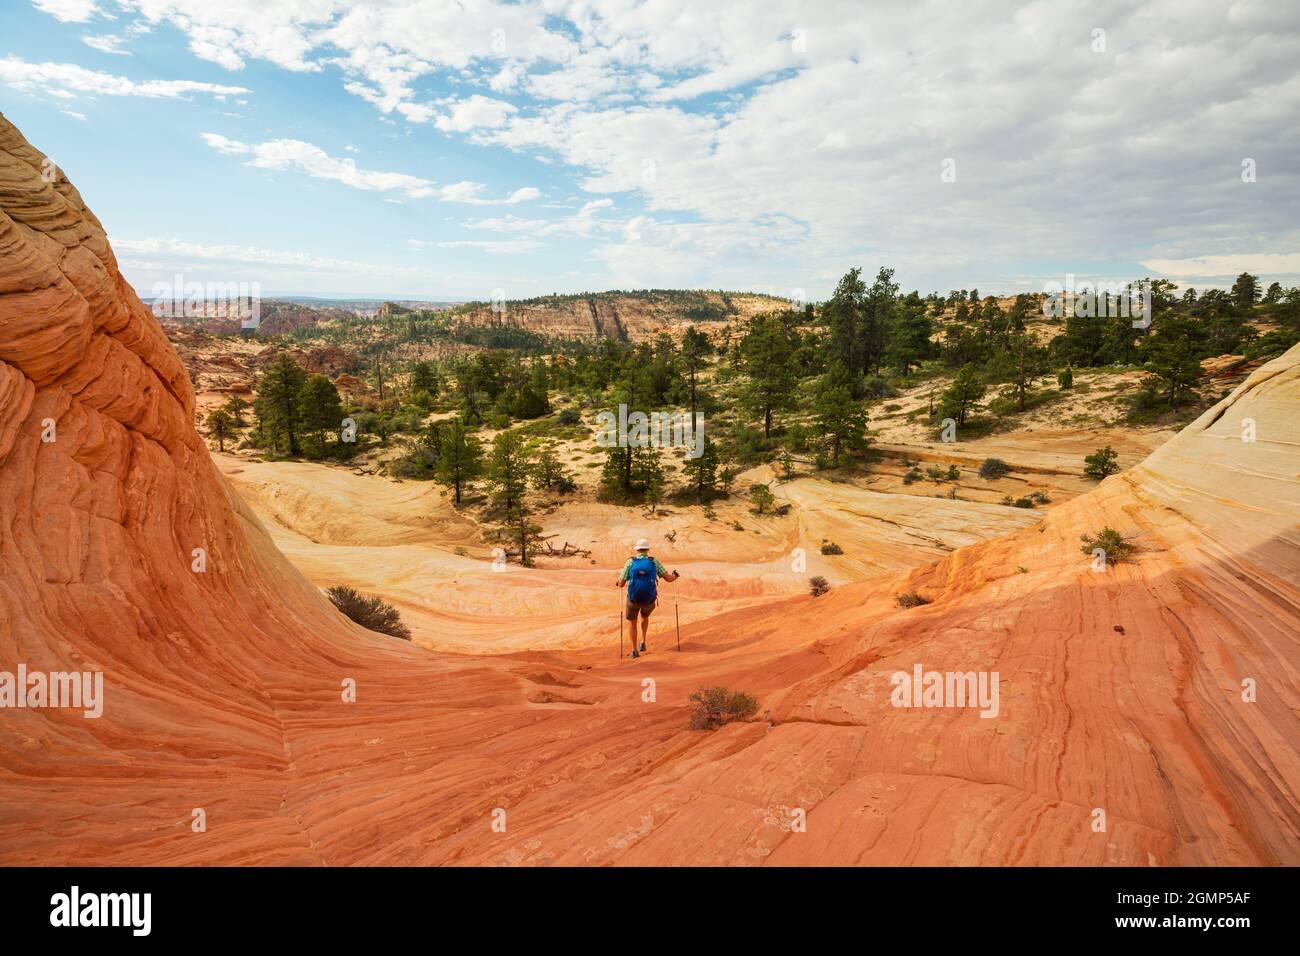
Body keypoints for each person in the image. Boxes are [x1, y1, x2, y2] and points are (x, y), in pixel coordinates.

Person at [616, 538, 679, 658]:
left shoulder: (630, 562)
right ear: (647, 549)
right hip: (649, 599)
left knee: (632, 623)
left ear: (637, 550)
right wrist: (675, 576)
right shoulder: (654, 561)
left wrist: (618, 582)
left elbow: (621, 584)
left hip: (633, 599)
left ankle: (634, 651)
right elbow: (668, 579)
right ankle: (643, 642)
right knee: (644, 617)